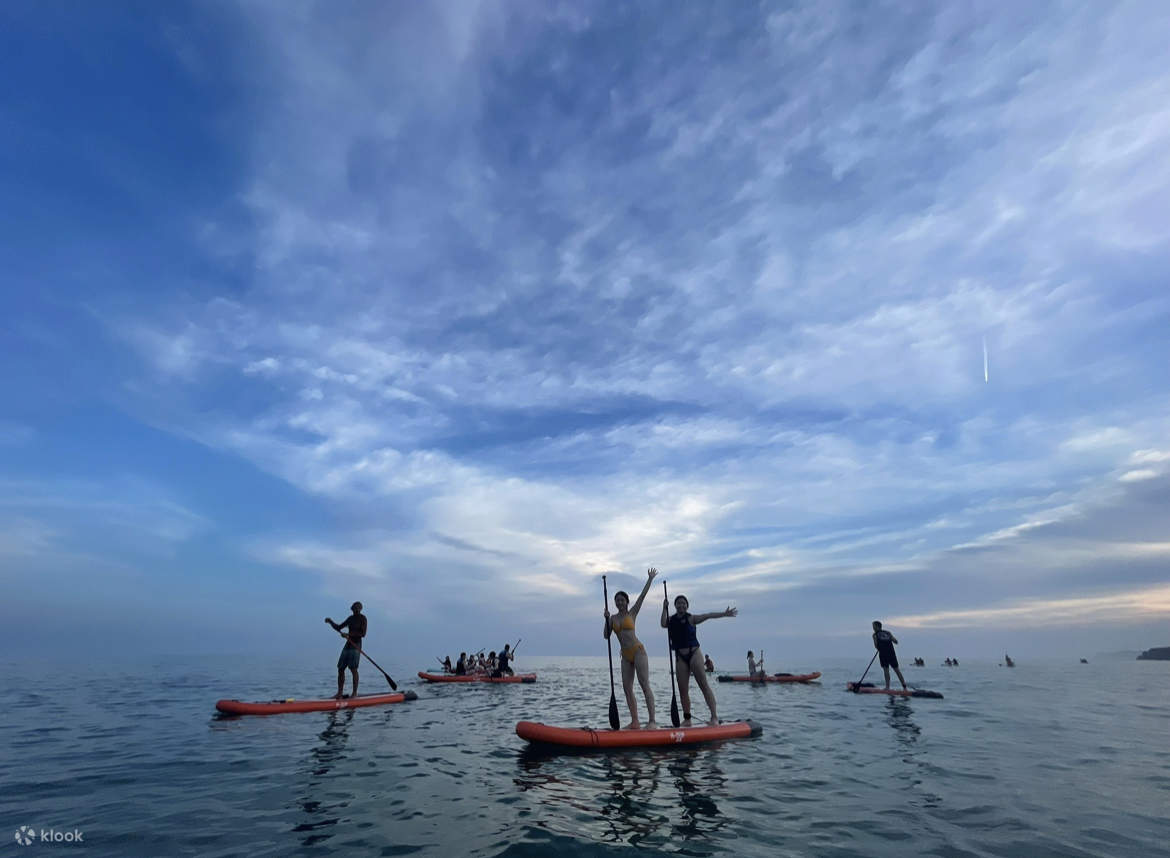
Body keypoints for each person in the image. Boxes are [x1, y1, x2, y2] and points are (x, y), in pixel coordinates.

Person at [661, 594, 737, 726]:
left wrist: (724, 614)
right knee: (683, 690)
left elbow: (708, 615)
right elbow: (663, 624)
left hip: (694, 653)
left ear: (687, 605)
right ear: (675, 606)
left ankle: (714, 717)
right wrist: (664, 608)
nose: (681, 605)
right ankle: (687, 718)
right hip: (680, 656)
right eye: (678, 603)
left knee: (703, 685)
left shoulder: (692, 618)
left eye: (683, 603)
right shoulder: (671, 620)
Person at [604, 567, 658, 729]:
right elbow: (606, 635)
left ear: (626, 602)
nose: (620, 602)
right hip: (625, 655)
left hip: (638, 651)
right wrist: (606, 619)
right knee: (627, 688)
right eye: (617, 600)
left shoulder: (632, 613)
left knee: (644, 684)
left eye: (622, 600)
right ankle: (635, 721)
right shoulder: (612, 618)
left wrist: (650, 579)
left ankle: (652, 721)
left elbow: (642, 596)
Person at [325, 602, 367, 699]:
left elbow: (363, 633)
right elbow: (339, 627)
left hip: (356, 645)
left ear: (360, 609)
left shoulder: (363, 618)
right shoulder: (350, 619)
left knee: (353, 669)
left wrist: (349, 635)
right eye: (354, 608)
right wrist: (330, 622)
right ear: (352, 609)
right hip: (348, 645)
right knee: (340, 668)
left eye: (358, 608)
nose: (356, 610)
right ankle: (339, 693)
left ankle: (354, 693)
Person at [871, 621, 907, 691]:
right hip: (891, 654)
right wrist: (889, 639)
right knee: (897, 670)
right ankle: (904, 687)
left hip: (883, 654)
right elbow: (896, 641)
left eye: (873, 626)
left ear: (877, 626)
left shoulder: (874, 635)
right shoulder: (888, 633)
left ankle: (887, 687)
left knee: (886, 671)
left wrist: (880, 645)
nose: (873, 628)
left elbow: (876, 646)